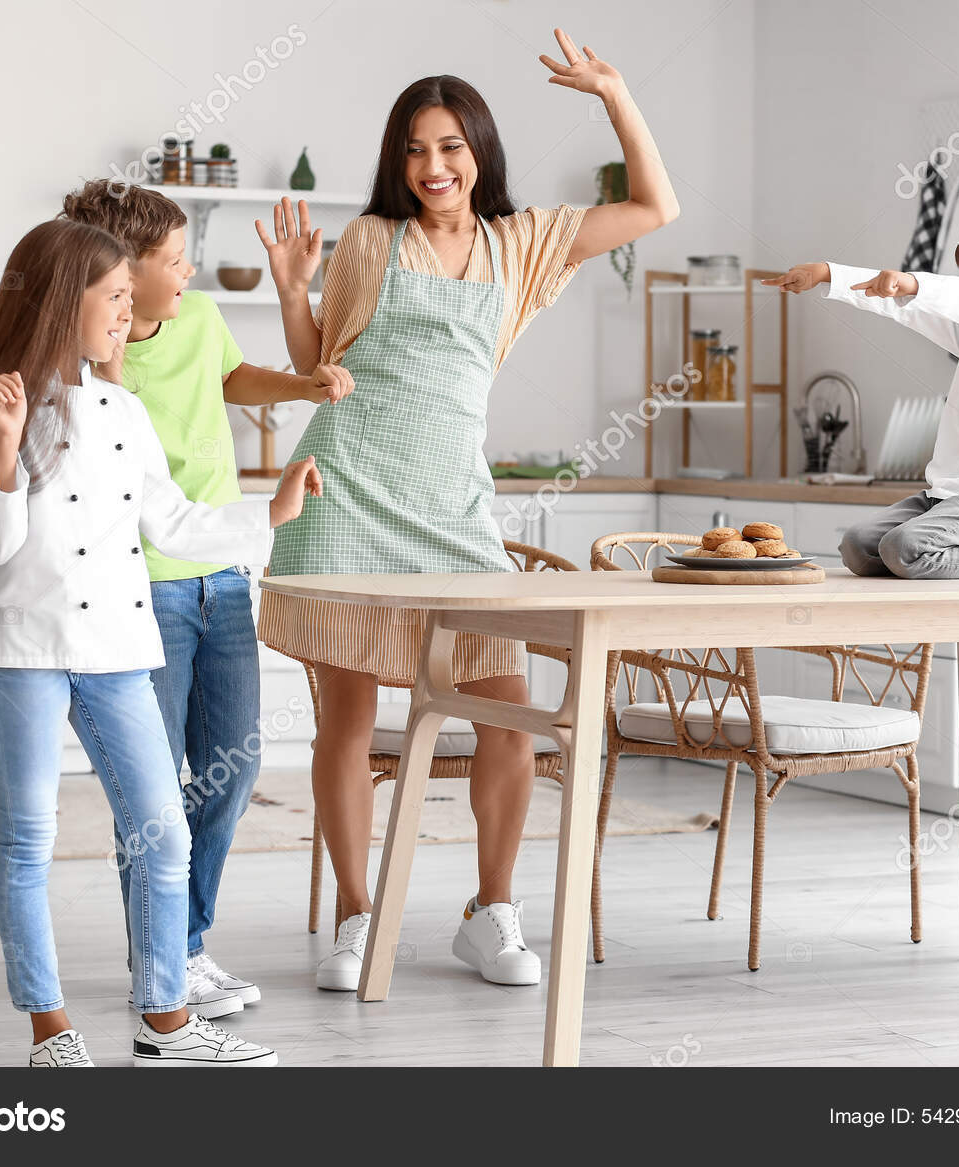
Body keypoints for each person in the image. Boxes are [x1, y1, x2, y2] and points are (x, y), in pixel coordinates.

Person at [256, 28, 679, 993]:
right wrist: (290, 292)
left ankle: (491, 914)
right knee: (349, 726)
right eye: (414, 148)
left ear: (478, 151)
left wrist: (614, 91)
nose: (432, 166)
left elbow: (657, 204)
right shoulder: (371, 240)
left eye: (449, 146)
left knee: (508, 717)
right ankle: (359, 919)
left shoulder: (522, 243)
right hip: (350, 492)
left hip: (454, 510)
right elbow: (323, 358)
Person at [0, 218, 321, 1066]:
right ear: (62, 301)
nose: (126, 313)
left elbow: (171, 520)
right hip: (24, 652)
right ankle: (50, 1029)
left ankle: (166, 1017)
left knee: (163, 831)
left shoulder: (122, 408)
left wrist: (271, 513)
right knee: (27, 837)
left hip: (116, 650)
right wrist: (3, 452)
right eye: (113, 298)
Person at [60, 181, 353, 1018]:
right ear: (121, 271)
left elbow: (233, 378)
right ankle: (162, 962)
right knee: (154, 787)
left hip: (221, 574)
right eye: (174, 261)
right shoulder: (87, 363)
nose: (189, 271)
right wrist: (110, 373)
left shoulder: (198, 323)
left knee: (233, 768)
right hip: (142, 584)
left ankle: (182, 946)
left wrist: (303, 386)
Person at [767, 172, 959, 578]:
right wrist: (830, 274)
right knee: (858, 548)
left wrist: (915, 280)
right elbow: (908, 306)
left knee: (904, 549)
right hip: (946, 496)